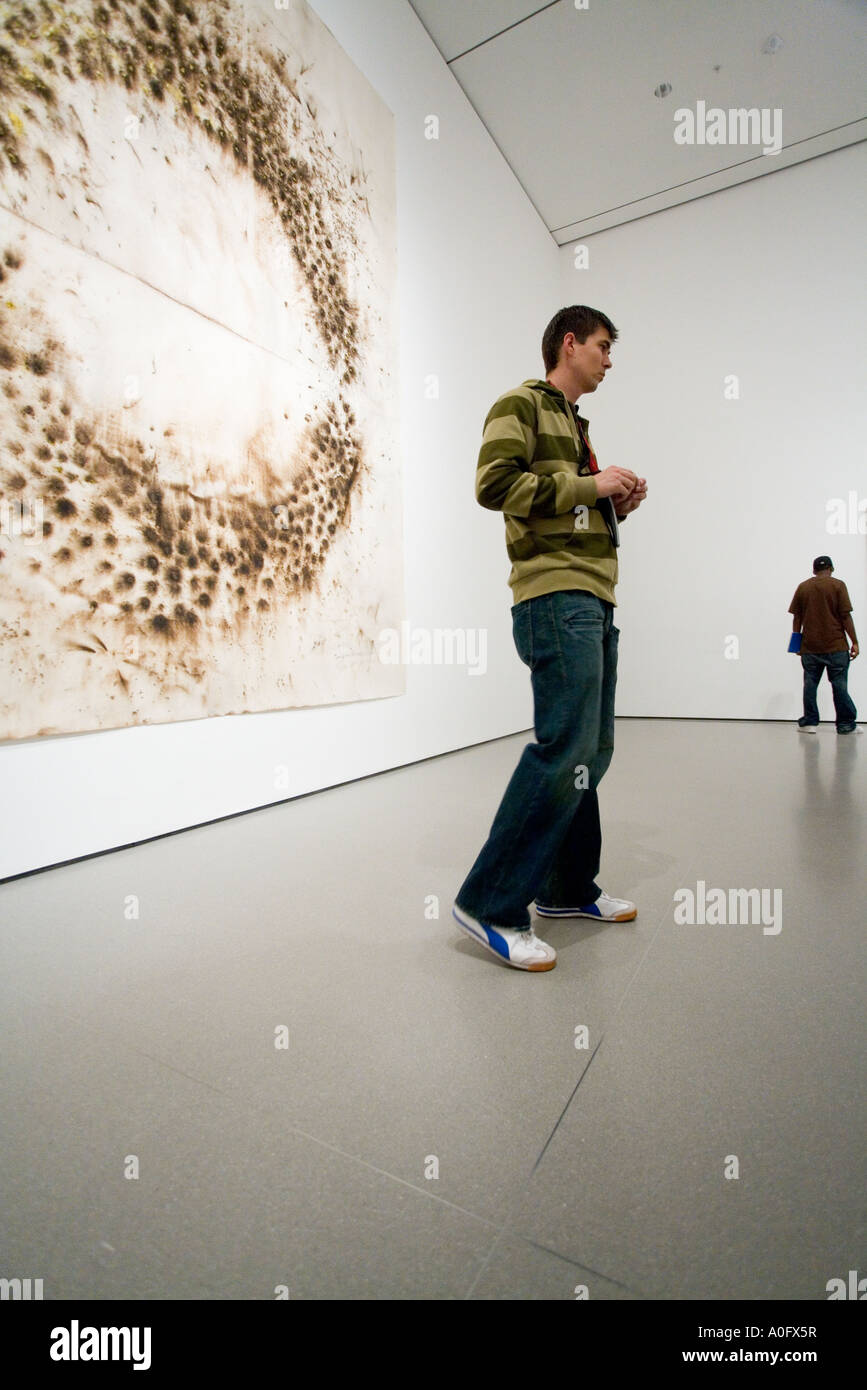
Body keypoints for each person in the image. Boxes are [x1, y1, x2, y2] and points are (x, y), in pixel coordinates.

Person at [452, 306, 647, 972]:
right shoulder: (521, 403)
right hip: (554, 593)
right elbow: (494, 484)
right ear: (569, 343)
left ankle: (564, 891)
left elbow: (559, 499)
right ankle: (489, 903)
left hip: (590, 591)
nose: (608, 359)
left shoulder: (575, 424)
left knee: (590, 748)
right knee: (563, 744)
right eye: (601, 346)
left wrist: (609, 502)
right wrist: (590, 484)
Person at [789, 556, 859, 733]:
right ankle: (845, 724)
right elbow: (845, 616)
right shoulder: (838, 585)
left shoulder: (803, 587)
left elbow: (797, 618)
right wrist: (855, 642)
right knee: (839, 686)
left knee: (810, 684)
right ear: (832, 569)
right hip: (836, 646)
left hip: (810, 647)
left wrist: (796, 644)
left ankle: (810, 722)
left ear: (813, 570)